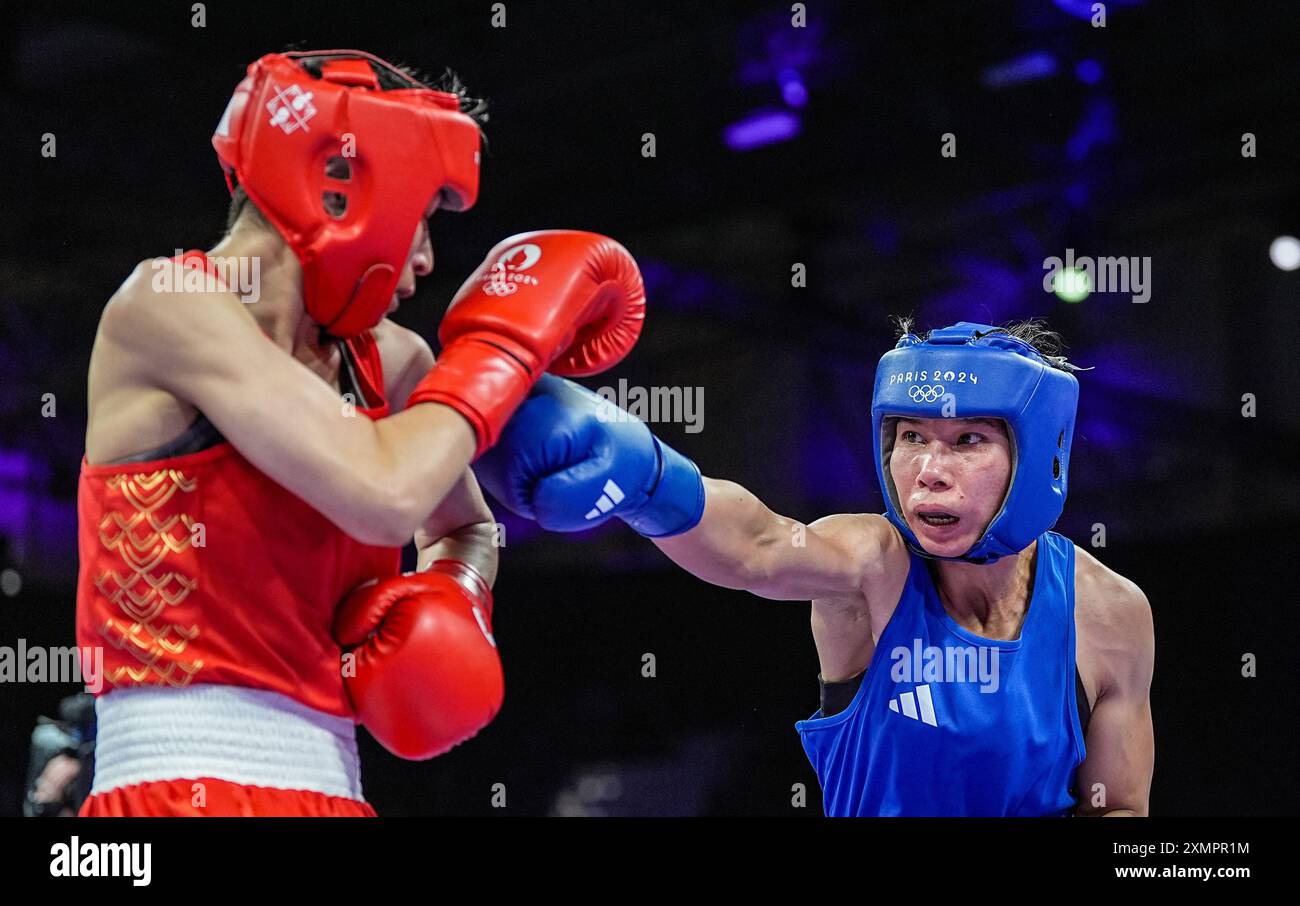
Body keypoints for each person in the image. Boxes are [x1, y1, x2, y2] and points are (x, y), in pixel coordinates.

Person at [75, 49, 645, 816]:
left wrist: (452, 596)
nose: (427, 258)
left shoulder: (395, 360)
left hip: (334, 791)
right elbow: (383, 495)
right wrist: (501, 351)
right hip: (168, 791)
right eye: (425, 215)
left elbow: (466, 525)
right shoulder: (165, 305)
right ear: (343, 189)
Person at [474, 320, 1155, 816]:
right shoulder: (874, 567)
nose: (929, 473)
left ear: (1040, 458)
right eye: (911, 437)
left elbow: (1121, 809)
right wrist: (646, 477)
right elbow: (760, 548)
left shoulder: (1108, 612)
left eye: (967, 441)